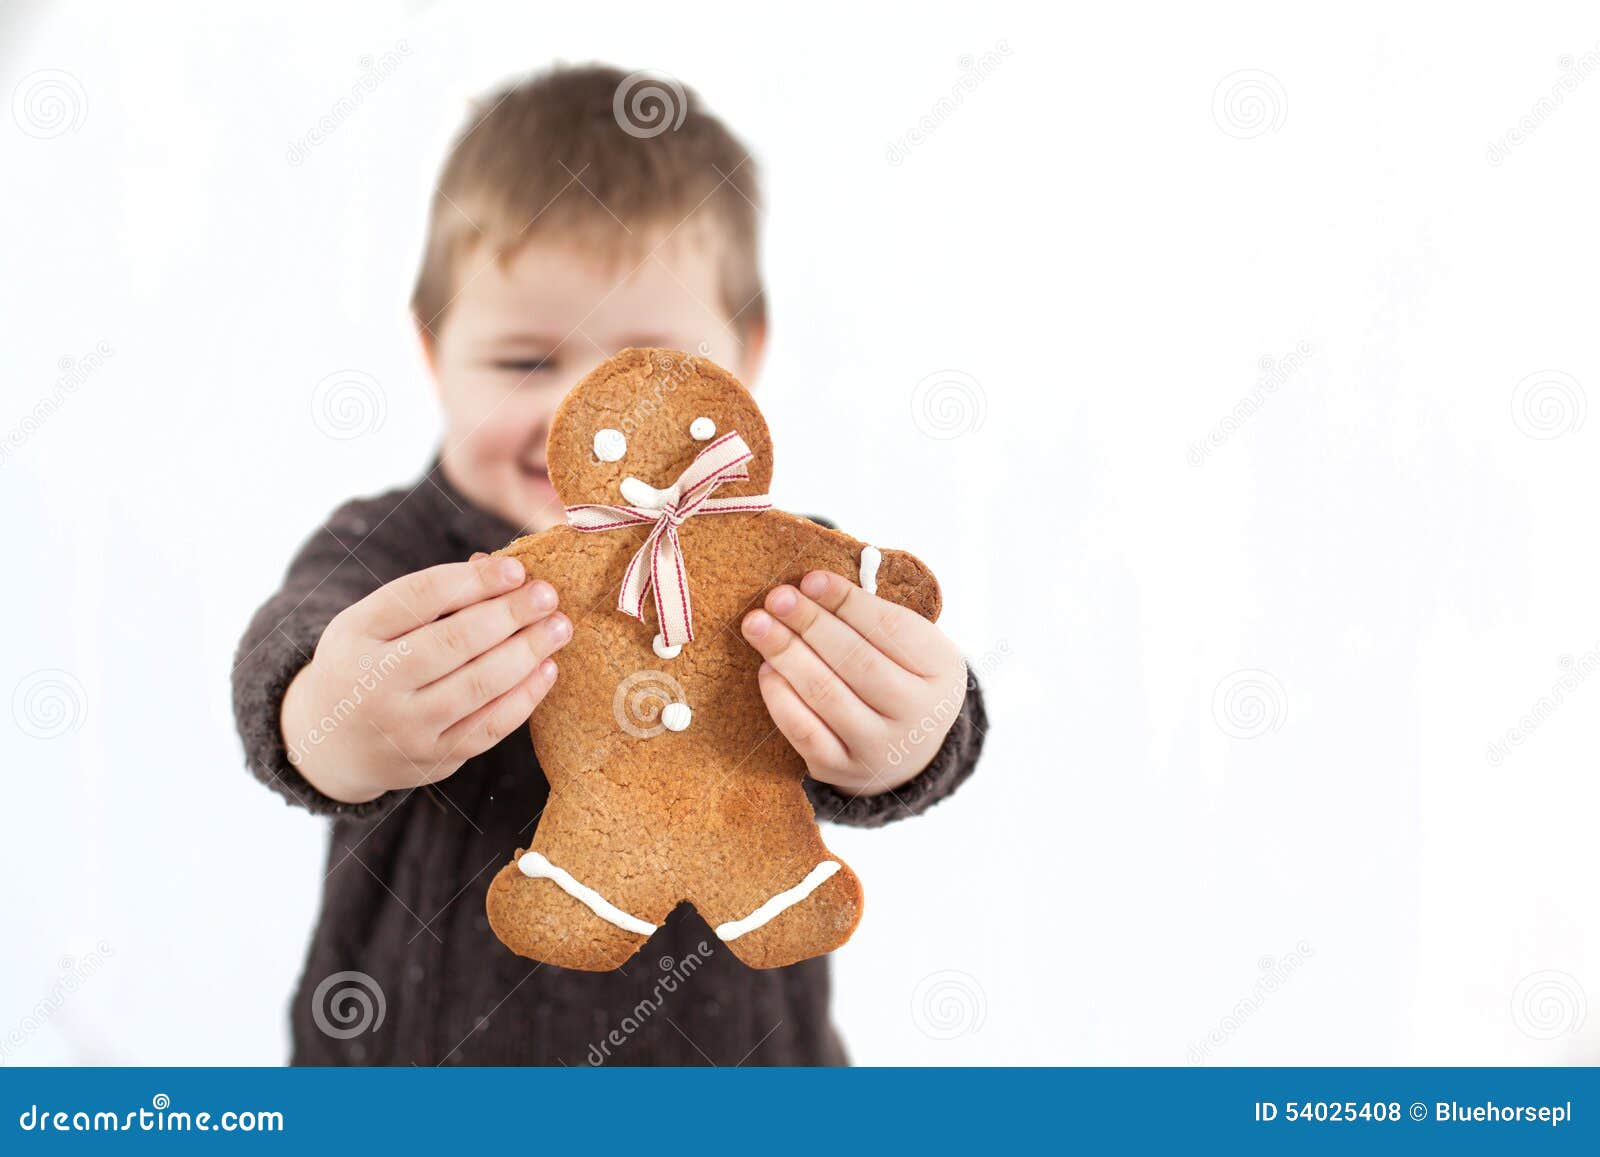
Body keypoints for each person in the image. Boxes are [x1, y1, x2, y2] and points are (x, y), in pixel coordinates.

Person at [232, 63, 986, 1065]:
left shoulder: (777, 570)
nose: (580, 418)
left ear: (744, 360)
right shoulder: (396, 552)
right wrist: (338, 717)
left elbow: (909, 669)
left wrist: (911, 738)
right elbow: (286, 658)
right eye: (524, 362)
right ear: (432, 351)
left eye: (649, 365)